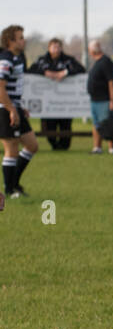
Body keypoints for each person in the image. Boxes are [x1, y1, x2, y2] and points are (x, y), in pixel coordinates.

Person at [0, 25, 39, 199]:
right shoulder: (6, 59)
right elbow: (0, 88)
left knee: (32, 145)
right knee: (11, 149)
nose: (24, 40)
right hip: (5, 110)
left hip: (14, 107)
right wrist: (11, 110)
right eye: (20, 37)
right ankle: (9, 190)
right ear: (10, 41)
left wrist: (18, 107)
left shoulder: (17, 58)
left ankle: (14, 183)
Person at [30, 37, 85, 150]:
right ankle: (54, 145)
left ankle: (64, 146)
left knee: (66, 125)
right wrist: (45, 73)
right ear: (49, 48)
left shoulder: (68, 60)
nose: (56, 49)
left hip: (65, 101)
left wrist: (65, 73)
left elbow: (81, 69)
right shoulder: (42, 61)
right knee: (49, 126)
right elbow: (29, 71)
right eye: (54, 47)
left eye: (58, 47)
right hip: (47, 101)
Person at [84, 40, 113, 154]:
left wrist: (112, 101)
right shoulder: (97, 62)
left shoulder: (105, 62)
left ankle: (111, 148)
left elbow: (111, 83)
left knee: (107, 124)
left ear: (92, 50)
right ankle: (97, 147)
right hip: (95, 99)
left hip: (104, 99)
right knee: (96, 124)